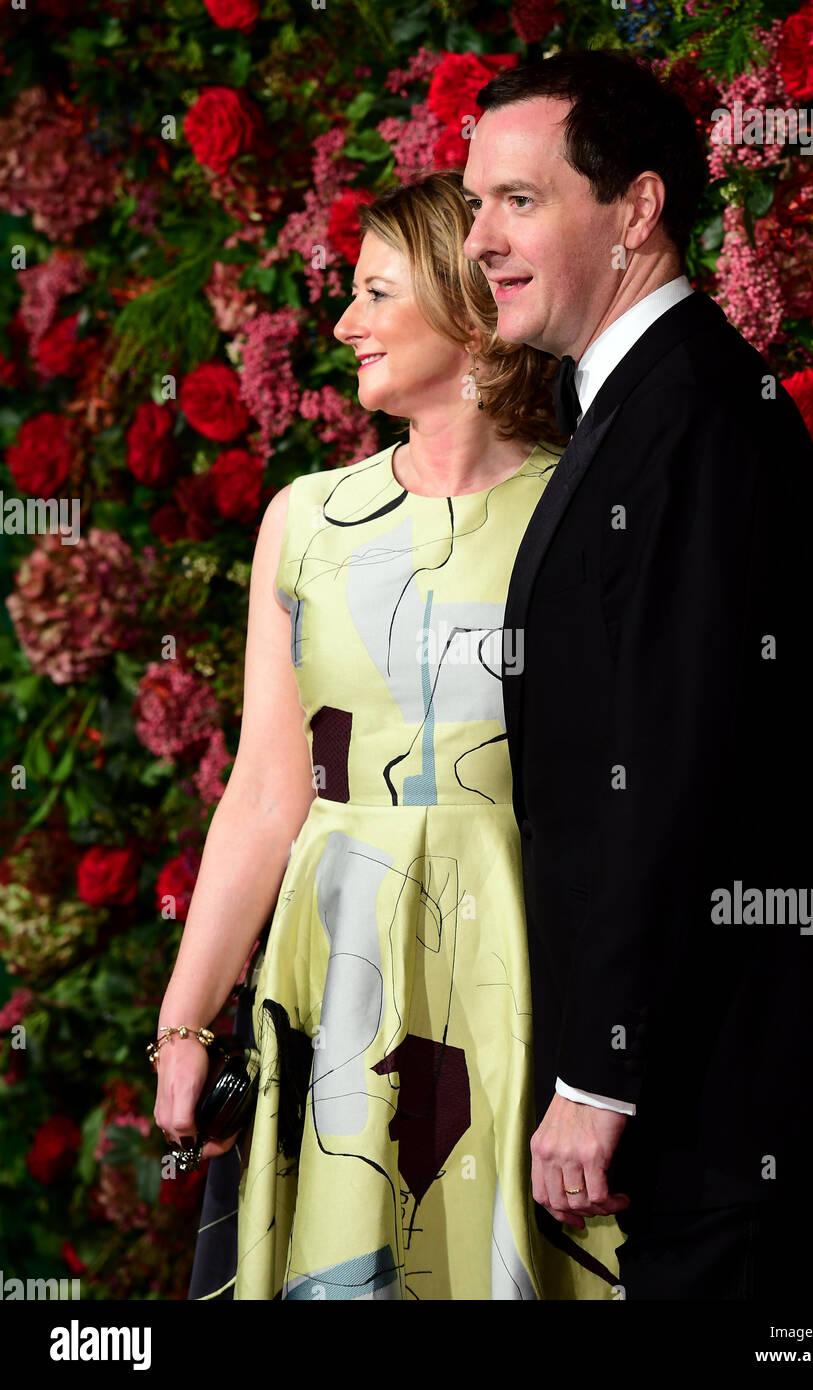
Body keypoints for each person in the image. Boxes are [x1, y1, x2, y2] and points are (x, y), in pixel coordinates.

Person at [461, 49, 813, 1300]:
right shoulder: (642, 405)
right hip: (717, 1085)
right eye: (474, 205)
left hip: (740, 1087)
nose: (482, 241)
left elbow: (680, 766)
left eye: (520, 200)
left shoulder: (698, 414)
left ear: (635, 209)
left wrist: (599, 1072)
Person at [153, 170, 623, 1300]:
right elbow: (266, 793)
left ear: (471, 311)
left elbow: (629, 800)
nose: (342, 324)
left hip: (522, 975)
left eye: (375, 293)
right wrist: (183, 1026)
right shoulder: (305, 520)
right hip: (334, 982)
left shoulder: (584, 513)